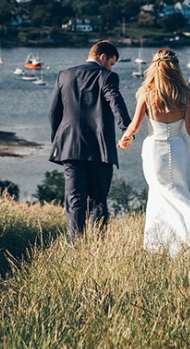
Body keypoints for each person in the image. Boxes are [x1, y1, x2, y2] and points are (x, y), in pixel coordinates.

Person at [119, 48, 190, 273]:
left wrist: (126, 138)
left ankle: (159, 249)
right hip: (178, 150)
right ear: (176, 67)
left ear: (153, 66)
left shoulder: (147, 93)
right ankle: (178, 248)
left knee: (159, 196)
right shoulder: (185, 94)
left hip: (155, 150)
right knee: (181, 195)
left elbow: (135, 125)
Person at [49, 40, 132, 242]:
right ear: (102, 57)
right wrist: (127, 130)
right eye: (111, 63)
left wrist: (58, 142)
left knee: (74, 198)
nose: (111, 67)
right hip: (99, 148)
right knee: (98, 198)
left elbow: (53, 113)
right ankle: (97, 243)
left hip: (69, 147)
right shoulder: (106, 76)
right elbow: (116, 102)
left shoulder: (64, 75)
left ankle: (74, 244)